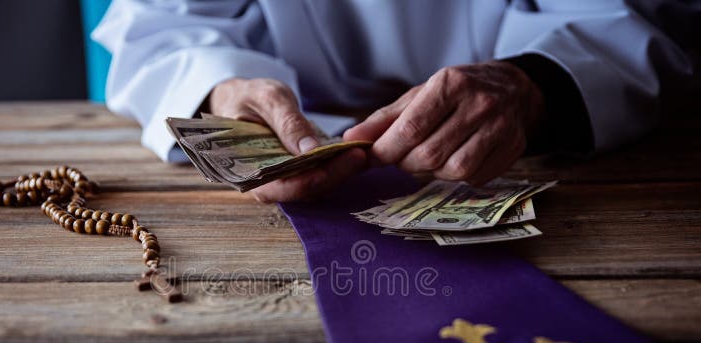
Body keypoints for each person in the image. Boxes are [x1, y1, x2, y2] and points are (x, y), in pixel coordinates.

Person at [93, 0, 695, 202]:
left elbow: (640, 22)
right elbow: (158, 24)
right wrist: (221, 87)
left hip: (539, 163)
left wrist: (535, 87)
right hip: (294, 131)